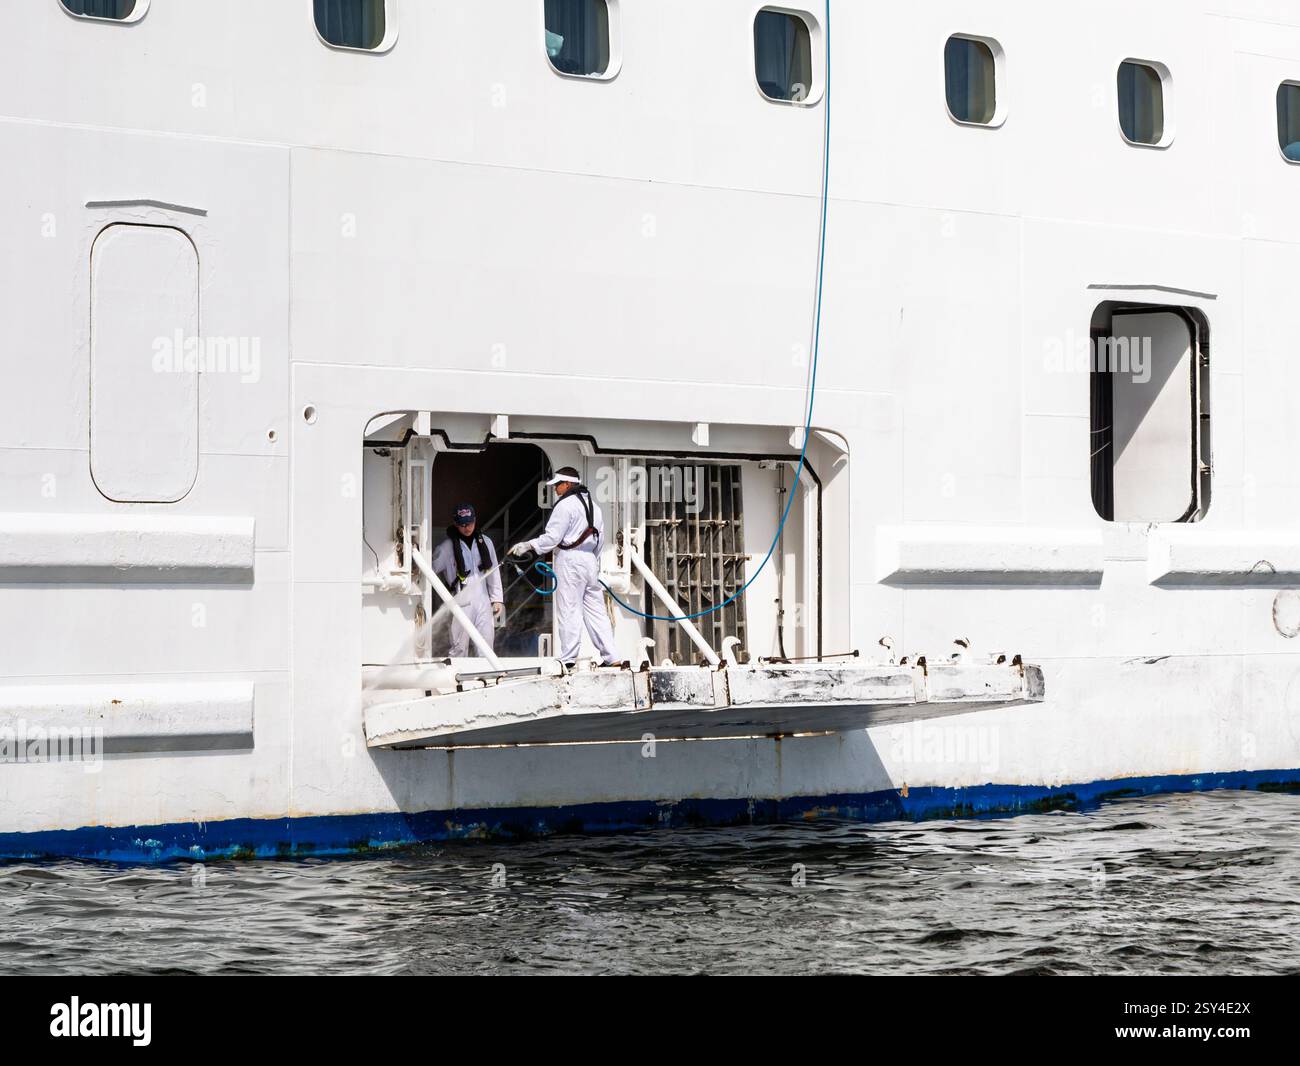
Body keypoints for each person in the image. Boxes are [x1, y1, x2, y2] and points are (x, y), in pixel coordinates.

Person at [510, 467, 619, 667]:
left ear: (567, 484)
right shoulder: (595, 506)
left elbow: (552, 538)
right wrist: (591, 561)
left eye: (557, 485)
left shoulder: (564, 506)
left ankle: (568, 659)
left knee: (569, 609)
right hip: (590, 561)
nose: (555, 490)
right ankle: (612, 657)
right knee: (597, 611)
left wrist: (529, 545)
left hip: (570, 560)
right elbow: (600, 540)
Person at [431, 503, 503, 658]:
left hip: (483, 600)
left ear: (475, 520)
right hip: (460, 602)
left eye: (470, 523)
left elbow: (493, 572)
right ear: (455, 524)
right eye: (462, 524)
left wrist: (497, 599)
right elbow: (429, 570)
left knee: (486, 645)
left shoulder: (486, 542)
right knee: (458, 648)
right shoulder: (446, 547)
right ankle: (458, 679)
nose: (467, 527)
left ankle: (485, 678)